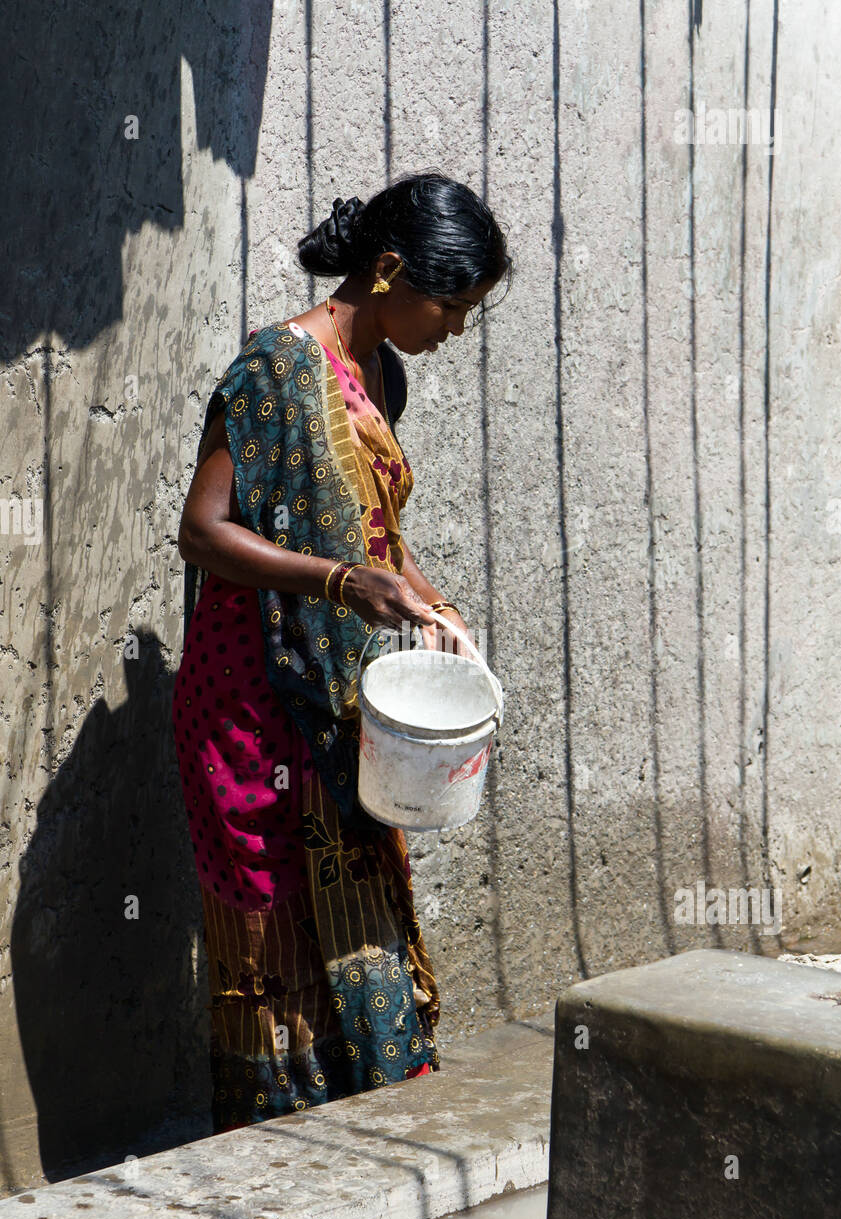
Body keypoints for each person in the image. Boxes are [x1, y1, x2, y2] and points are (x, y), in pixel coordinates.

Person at [172, 172, 511, 1133]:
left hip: (339, 706)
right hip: (245, 705)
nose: (452, 330)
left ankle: (373, 1157)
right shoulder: (272, 368)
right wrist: (341, 584)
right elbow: (201, 534)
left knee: (361, 922)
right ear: (390, 270)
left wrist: (434, 607)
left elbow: (371, 537)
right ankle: (278, 1168)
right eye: (449, 305)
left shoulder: (381, 379)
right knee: (271, 943)